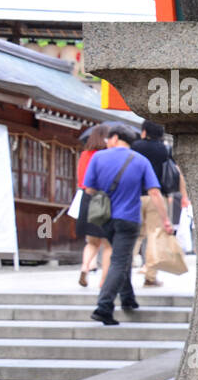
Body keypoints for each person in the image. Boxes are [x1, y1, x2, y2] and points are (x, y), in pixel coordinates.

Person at [82, 124, 174, 325]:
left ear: (115, 138)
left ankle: (127, 298)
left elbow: (88, 189)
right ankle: (104, 307)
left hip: (105, 218)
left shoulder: (98, 158)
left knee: (121, 257)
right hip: (129, 218)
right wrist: (166, 220)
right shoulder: (140, 161)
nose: (107, 142)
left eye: (108, 139)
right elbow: (154, 192)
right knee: (119, 260)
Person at [131, 119, 177, 287]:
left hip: (135, 196)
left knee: (135, 235)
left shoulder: (134, 147)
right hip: (157, 196)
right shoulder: (164, 150)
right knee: (154, 236)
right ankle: (150, 276)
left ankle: (122, 273)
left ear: (144, 131)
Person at [75, 123, 111, 288]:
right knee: (107, 243)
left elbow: (81, 179)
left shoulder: (84, 155)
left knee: (91, 241)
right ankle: (104, 280)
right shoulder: (105, 156)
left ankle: (85, 267)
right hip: (102, 199)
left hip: (85, 197)